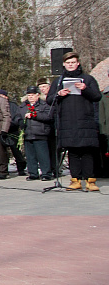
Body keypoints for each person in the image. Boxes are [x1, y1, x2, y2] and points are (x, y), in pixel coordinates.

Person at [47, 51, 101, 191]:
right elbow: (49, 100)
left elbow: (97, 96)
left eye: (73, 62)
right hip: (67, 122)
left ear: (78, 63)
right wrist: (59, 94)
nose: (71, 65)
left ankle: (90, 180)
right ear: (64, 64)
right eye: (68, 63)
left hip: (85, 121)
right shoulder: (58, 81)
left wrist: (85, 89)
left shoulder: (88, 79)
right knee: (73, 151)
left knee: (87, 151)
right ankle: (75, 180)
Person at [22, 85, 54, 181]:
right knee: (30, 156)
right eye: (29, 95)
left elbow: (48, 117)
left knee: (43, 155)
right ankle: (33, 173)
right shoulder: (24, 105)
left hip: (40, 133)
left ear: (38, 95)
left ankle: (46, 173)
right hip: (28, 133)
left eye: (32, 95)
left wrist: (34, 115)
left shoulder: (44, 105)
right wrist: (20, 121)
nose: (30, 97)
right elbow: (17, 116)